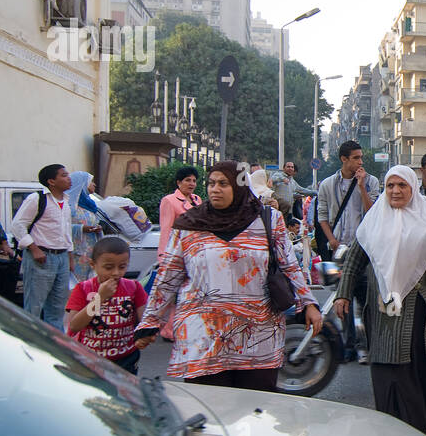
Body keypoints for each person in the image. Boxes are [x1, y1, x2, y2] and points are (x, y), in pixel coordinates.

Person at [135, 162, 321, 389]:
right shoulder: (189, 224)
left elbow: (289, 265)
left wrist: (309, 303)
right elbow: (168, 276)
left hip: (258, 336)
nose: (215, 189)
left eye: (223, 183)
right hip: (204, 339)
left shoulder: (268, 220)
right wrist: (150, 321)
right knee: (211, 412)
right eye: (211, 183)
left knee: (255, 412)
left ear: (240, 185)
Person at [332, 166, 426, 433]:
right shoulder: (374, 219)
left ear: (413, 187)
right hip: (388, 309)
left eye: (402, 185)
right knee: (392, 367)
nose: (395, 191)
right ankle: (403, 427)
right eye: (390, 186)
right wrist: (343, 293)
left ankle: (423, 413)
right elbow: (355, 259)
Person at [317, 140, 381, 363]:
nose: (360, 162)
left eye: (361, 157)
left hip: (363, 252)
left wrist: (362, 186)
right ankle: (348, 345)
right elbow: (322, 215)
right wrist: (332, 240)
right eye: (356, 158)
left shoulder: (371, 182)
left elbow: (372, 212)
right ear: (344, 159)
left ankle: (368, 345)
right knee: (341, 300)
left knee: (365, 302)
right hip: (339, 252)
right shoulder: (327, 184)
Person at [66, 236, 149, 375]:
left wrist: (146, 335)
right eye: (108, 267)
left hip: (126, 359)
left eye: (122, 267)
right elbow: (74, 326)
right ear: (93, 264)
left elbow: (144, 320)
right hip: (91, 359)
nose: (116, 273)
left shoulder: (134, 287)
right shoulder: (83, 289)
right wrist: (99, 298)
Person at [9, 164, 75, 329]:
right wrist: (34, 248)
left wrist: (70, 257)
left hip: (61, 257)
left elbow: (66, 232)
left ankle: (54, 341)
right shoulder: (37, 199)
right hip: (42, 256)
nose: (69, 178)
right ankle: (30, 338)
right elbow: (17, 225)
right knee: (34, 304)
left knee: (58, 306)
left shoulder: (65, 202)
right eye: (64, 175)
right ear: (51, 181)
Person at [158, 165, 203, 264]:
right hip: (179, 251)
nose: (191, 184)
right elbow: (166, 230)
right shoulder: (169, 200)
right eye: (188, 180)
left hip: (197, 250)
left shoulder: (197, 199)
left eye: (194, 181)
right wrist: (163, 256)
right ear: (179, 182)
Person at [68, 171, 103, 282]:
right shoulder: (70, 206)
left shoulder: (89, 204)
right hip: (76, 254)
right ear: (81, 183)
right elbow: (61, 228)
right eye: (91, 181)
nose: (94, 184)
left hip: (91, 253)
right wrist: (81, 228)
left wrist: (97, 229)